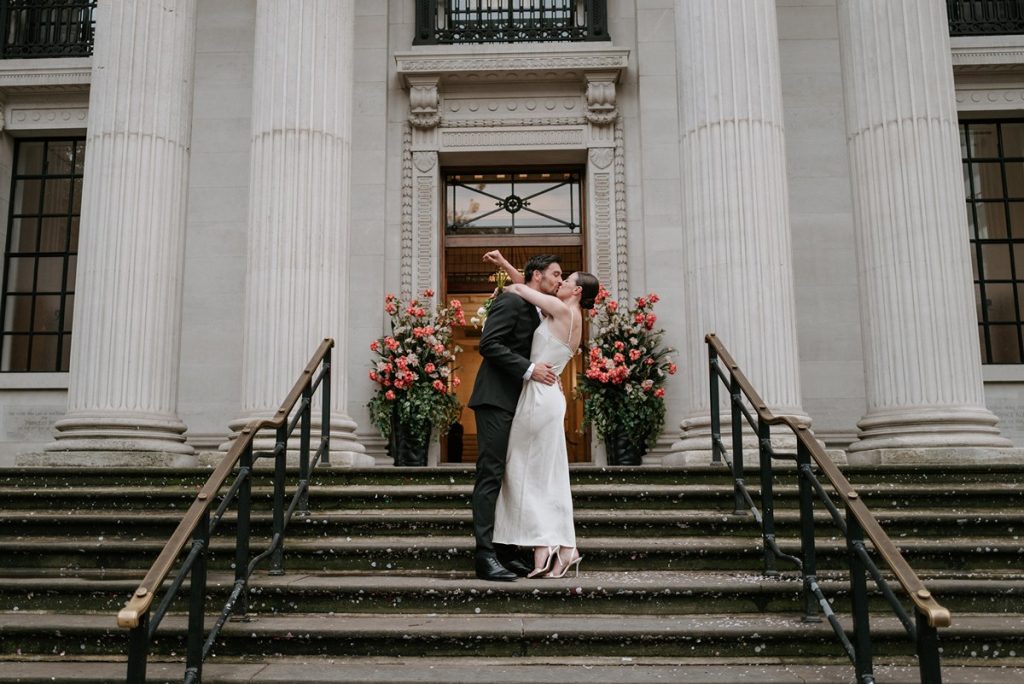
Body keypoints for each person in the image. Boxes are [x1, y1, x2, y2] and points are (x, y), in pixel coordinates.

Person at [486, 252, 599, 579]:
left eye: (567, 280)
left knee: (525, 472)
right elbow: (530, 287)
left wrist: (506, 288)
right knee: (544, 473)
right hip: (546, 395)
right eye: (559, 277)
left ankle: (547, 543)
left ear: (576, 292)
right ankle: (562, 547)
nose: (561, 282)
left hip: (538, 396)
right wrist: (506, 266)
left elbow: (523, 291)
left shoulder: (563, 309)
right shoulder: (571, 316)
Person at [469, 253, 563, 582]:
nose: (559, 280)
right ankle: (485, 556)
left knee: (512, 477)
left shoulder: (535, 305)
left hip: (521, 404)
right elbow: (489, 344)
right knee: (491, 474)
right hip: (495, 399)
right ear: (536, 275)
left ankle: (507, 552)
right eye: (555, 274)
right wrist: (530, 369)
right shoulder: (511, 303)